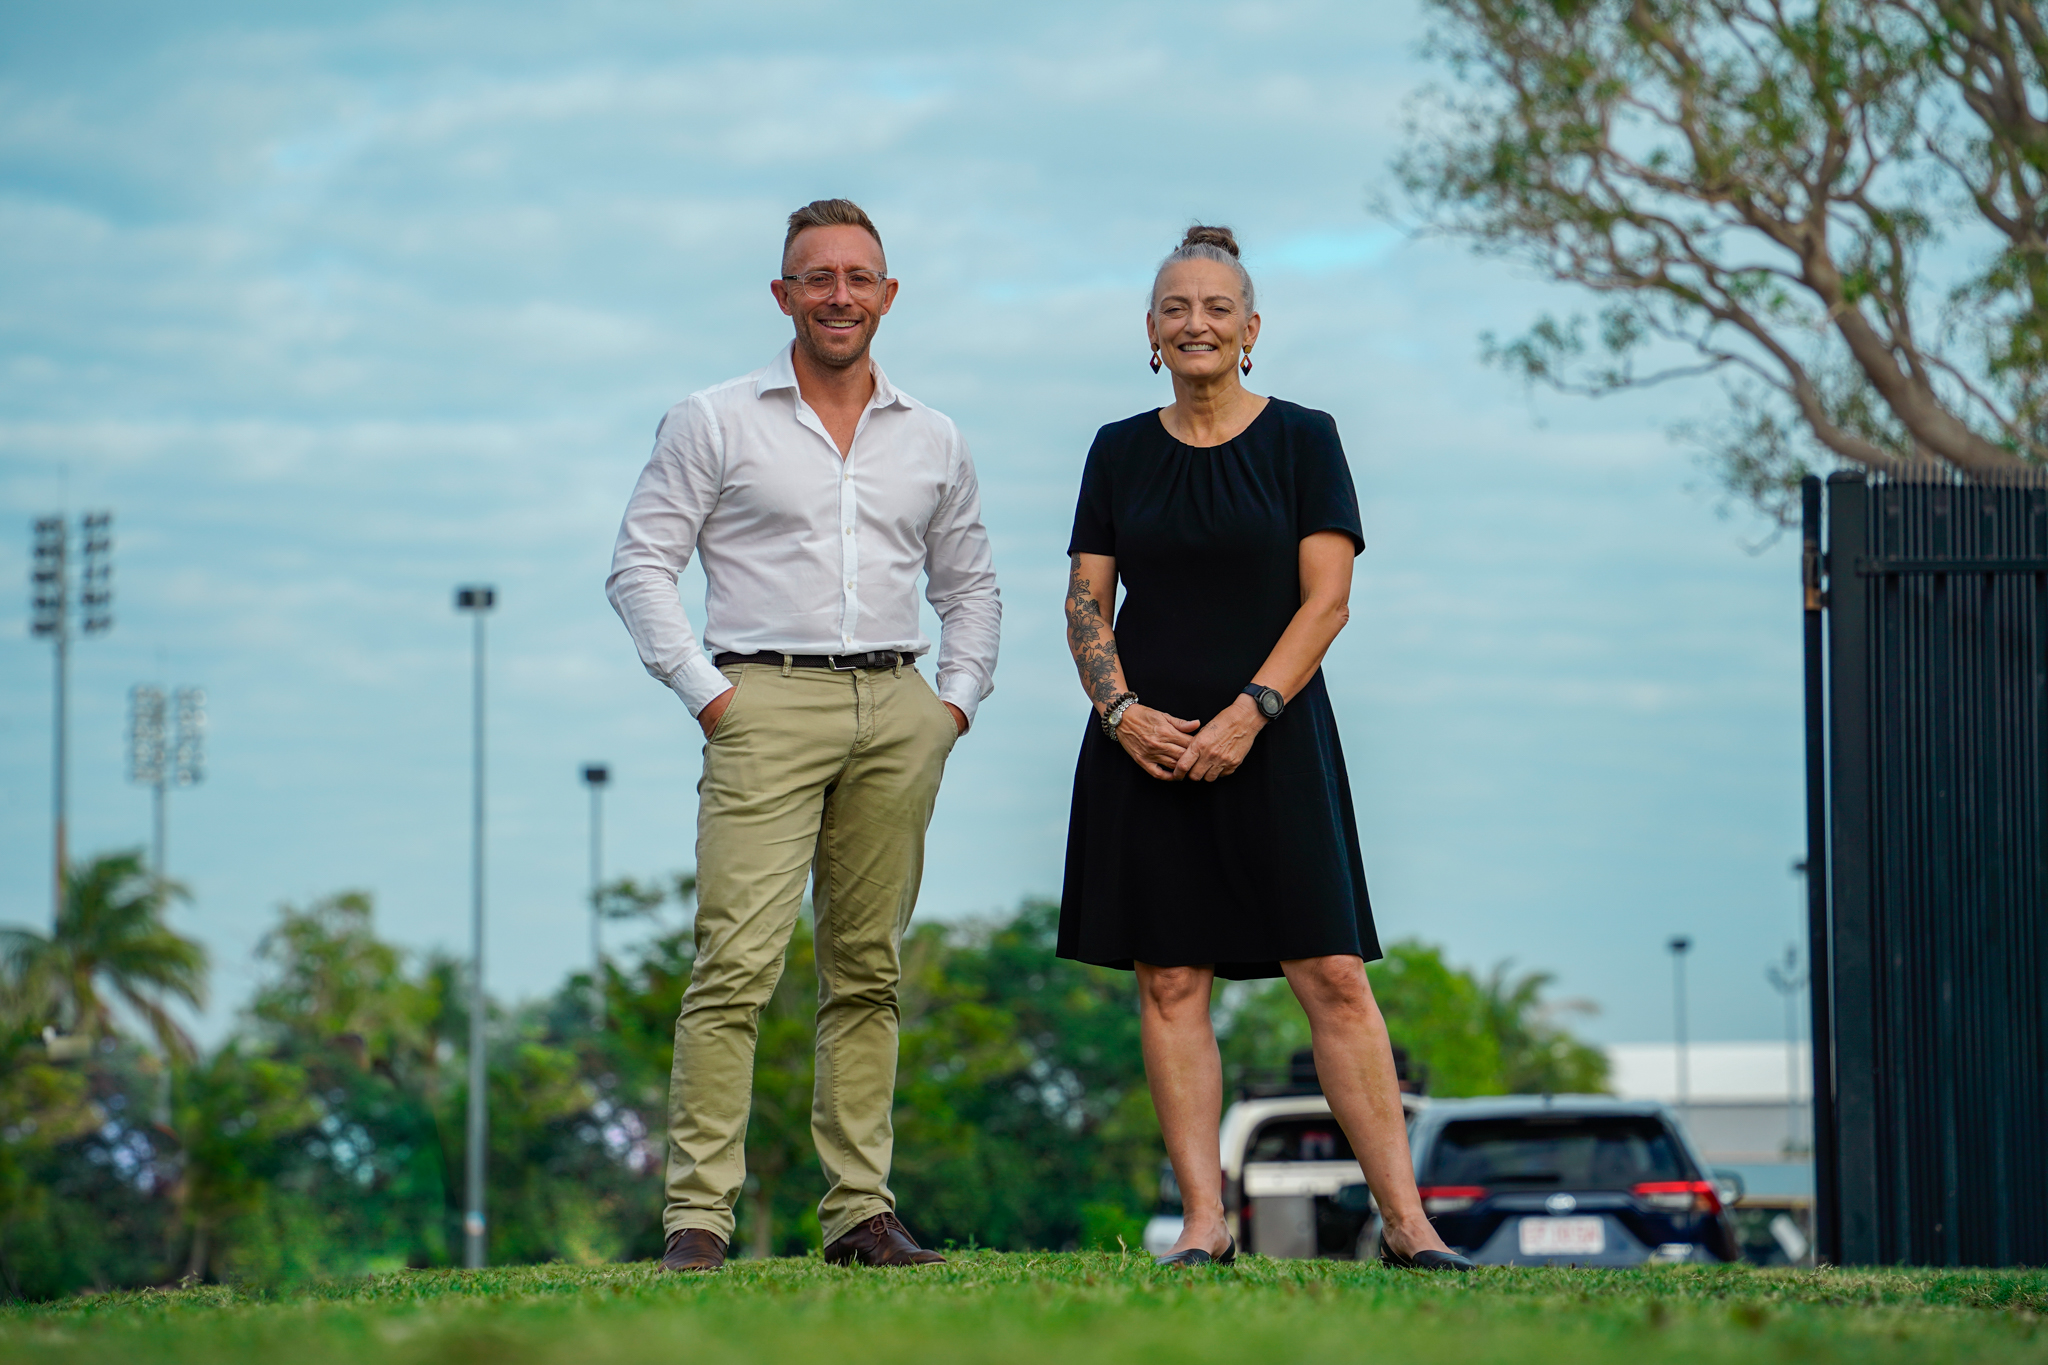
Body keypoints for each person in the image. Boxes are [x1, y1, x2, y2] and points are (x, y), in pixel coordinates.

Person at [1056, 224, 1473, 1272]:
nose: (1193, 323)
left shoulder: (1303, 438)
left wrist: (1250, 712)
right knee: (1168, 979)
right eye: (1172, 308)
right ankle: (1205, 1227)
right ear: (1149, 335)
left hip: (1276, 738)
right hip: (1142, 745)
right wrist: (1120, 713)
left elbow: (1326, 601)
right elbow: (1083, 601)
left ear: (1250, 329)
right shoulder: (1115, 450)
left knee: (1332, 973)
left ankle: (1408, 1227)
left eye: (1213, 307)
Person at [607, 198, 1000, 1272]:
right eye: (815, 277)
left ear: (886, 295)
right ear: (782, 295)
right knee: (733, 967)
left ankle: (859, 1214)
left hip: (896, 707)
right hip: (761, 702)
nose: (838, 294)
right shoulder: (713, 418)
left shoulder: (934, 436)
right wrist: (710, 695)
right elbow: (639, 565)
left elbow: (969, 586)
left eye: (857, 277)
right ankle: (698, 1221)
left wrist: (950, 707)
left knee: (866, 971)